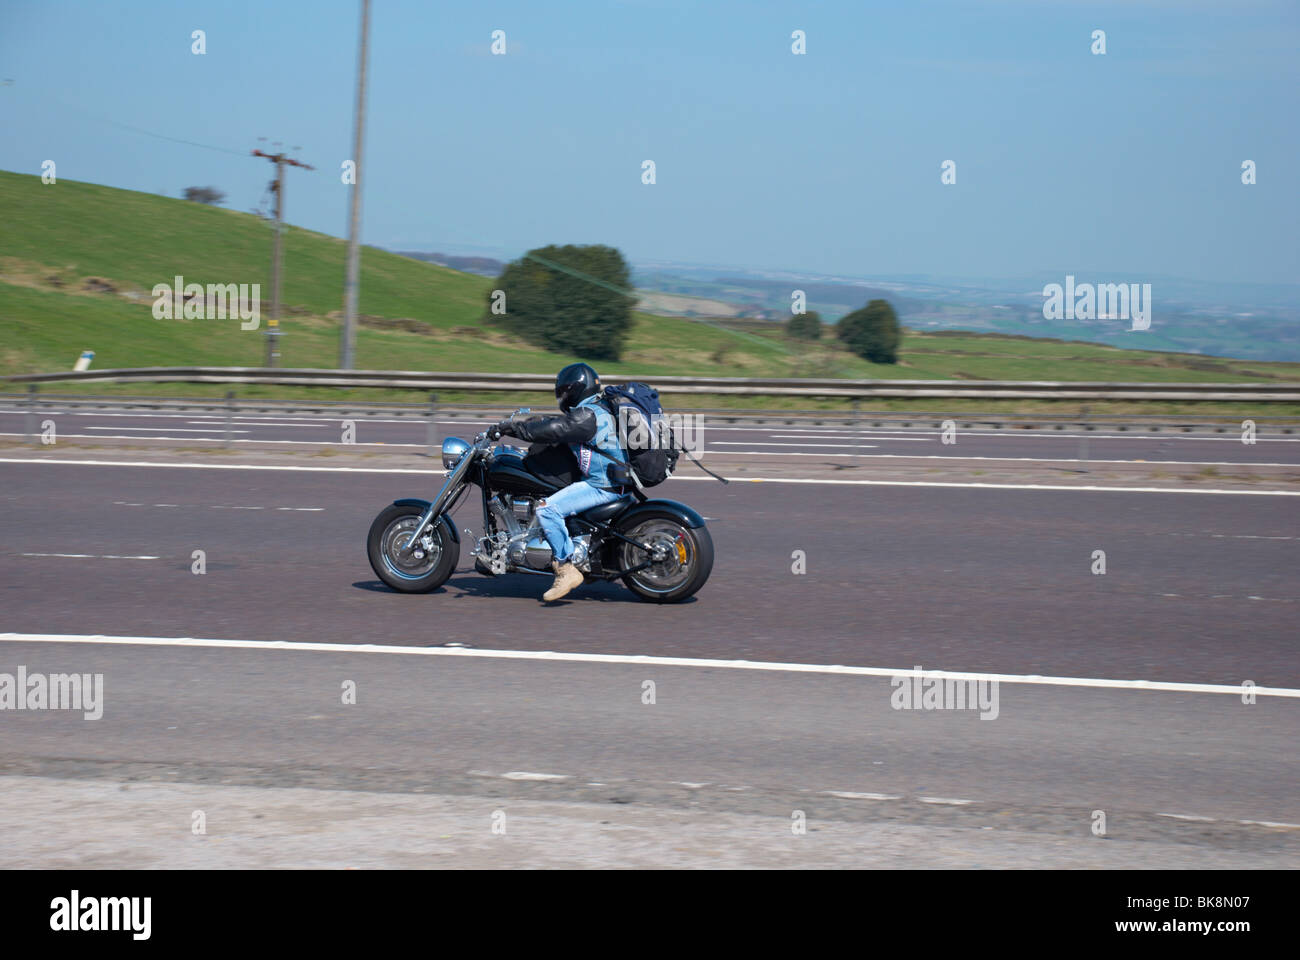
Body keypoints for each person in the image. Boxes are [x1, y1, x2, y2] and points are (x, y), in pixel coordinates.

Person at [493, 362, 629, 602]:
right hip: (609, 480)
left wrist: (513, 429)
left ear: (577, 389)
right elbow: (558, 425)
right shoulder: (594, 409)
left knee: (547, 509)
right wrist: (536, 422)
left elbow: (557, 429)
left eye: (566, 390)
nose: (564, 396)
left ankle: (565, 570)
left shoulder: (587, 415)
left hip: (602, 485)